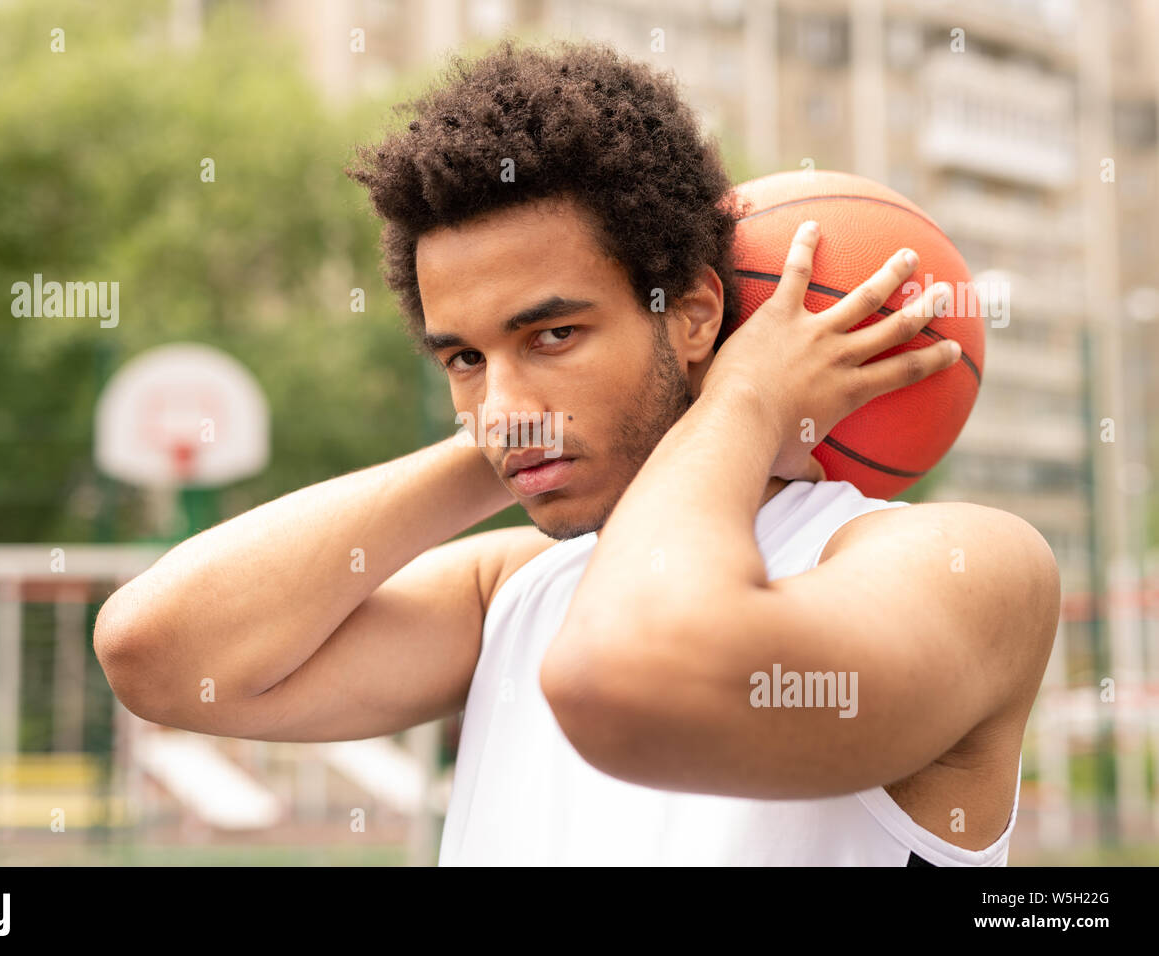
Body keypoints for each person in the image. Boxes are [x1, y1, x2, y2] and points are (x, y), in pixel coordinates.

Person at [93, 38, 1060, 866]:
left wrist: (744, 397)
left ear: (692, 315)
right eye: (463, 357)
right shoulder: (516, 588)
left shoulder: (960, 568)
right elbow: (160, 657)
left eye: (553, 335)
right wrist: (513, 435)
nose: (503, 402)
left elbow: (629, 678)